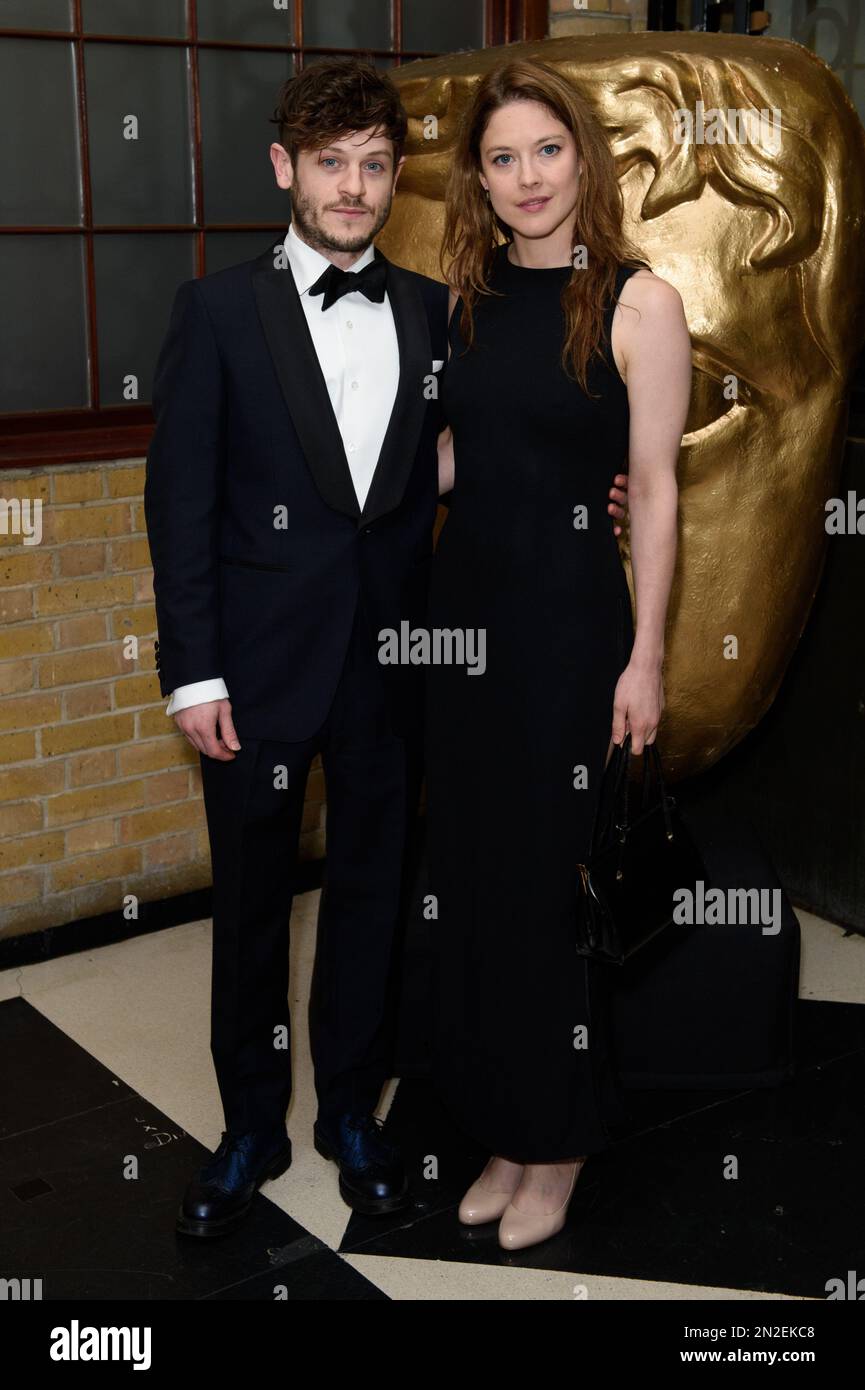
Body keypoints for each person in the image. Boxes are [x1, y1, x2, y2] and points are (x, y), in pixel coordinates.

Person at [144, 56, 631, 1239]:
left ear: (393, 175)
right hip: (251, 678)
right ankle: (250, 1123)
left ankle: (351, 1114)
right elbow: (179, 507)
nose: (354, 189)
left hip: (395, 670)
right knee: (253, 909)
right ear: (286, 170)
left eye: (373, 165)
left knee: (370, 900)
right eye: (330, 165)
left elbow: (482, 456)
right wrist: (193, 670)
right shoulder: (214, 311)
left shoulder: (435, 310)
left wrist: (593, 488)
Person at [425, 58, 691, 1251]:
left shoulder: (638, 303)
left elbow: (664, 492)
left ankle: (562, 1145)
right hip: (464, 635)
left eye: (545, 150)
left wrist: (645, 662)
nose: (526, 177)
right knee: (478, 894)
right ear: (477, 179)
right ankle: (505, 1125)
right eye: (500, 157)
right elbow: (449, 466)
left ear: (582, 158)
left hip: (570, 636)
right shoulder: (462, 299)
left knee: (549, 897)